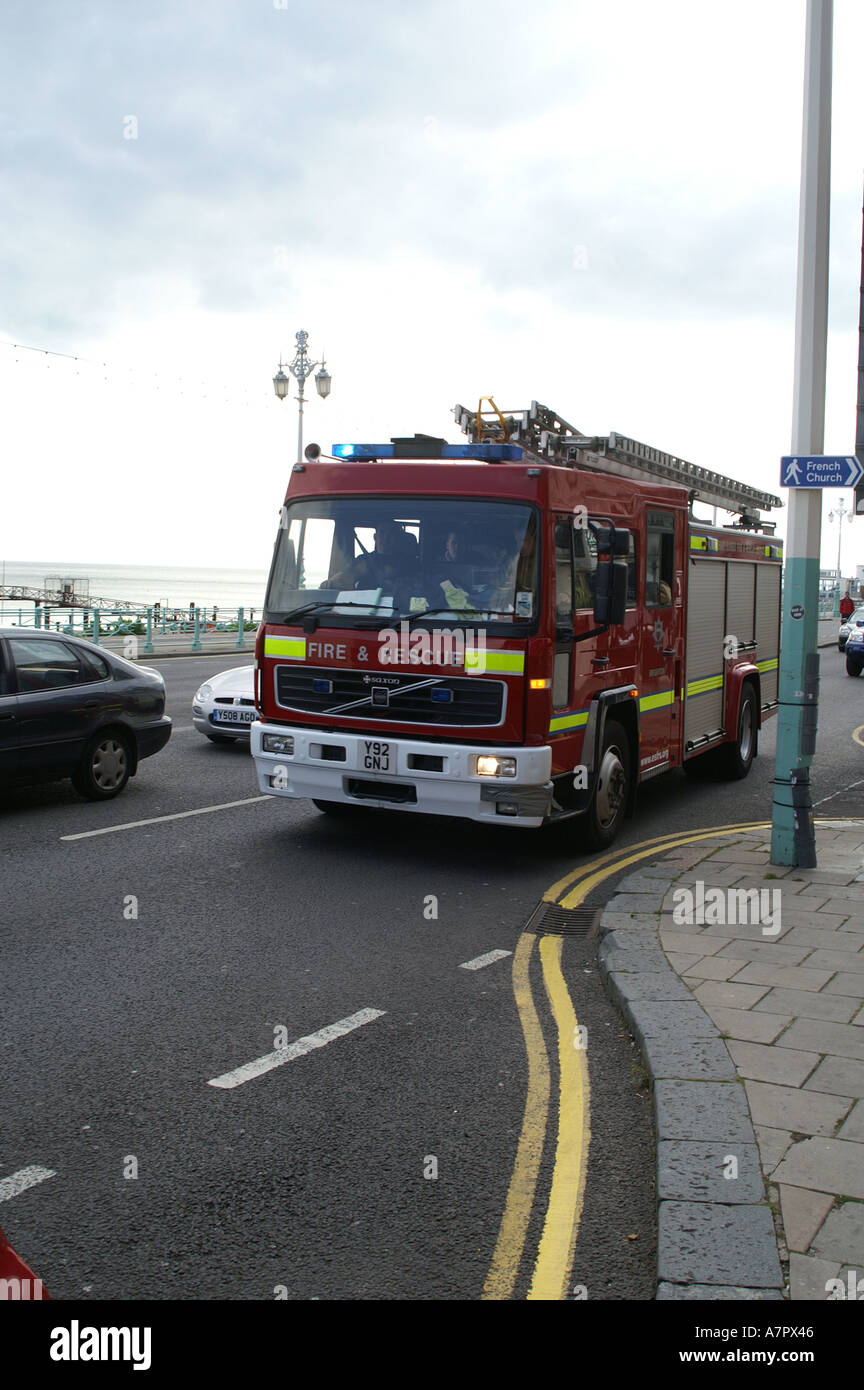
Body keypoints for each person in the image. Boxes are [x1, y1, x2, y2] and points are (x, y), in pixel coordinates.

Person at [327, 522, 418, 591]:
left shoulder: (409, 563)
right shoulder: (363, 561)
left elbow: (419, 590)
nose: (386, 537)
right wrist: (330, 583)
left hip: (399, 611)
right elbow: (343, 577)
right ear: (375, 537)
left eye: (391, 533)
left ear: (398, 538)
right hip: (365, 609)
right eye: (382, 532)